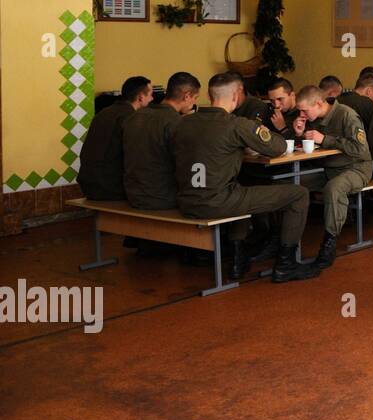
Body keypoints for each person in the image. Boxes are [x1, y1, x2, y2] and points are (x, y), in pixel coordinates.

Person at [171, 73, 316, 283]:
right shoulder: (237, 124)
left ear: (210, 95)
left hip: (187, 200)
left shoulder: (184, 123)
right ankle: (286, 265)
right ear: (238, 93)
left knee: (239, 187)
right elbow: (279, 147)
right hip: (217, 202)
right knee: (299, 194)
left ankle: (239, 258)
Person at [293, 85, 372, 269]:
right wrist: (298, 134)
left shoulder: (346, 115)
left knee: (334, 188)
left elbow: (360, 149)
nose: (302, 114)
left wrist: (325, 139)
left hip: (356, 167)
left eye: (304, 110)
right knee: (292, 185)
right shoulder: (312, 119)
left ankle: (329, 243)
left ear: (319, 104)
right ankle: (284, 241)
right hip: (327, 167)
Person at [122, 71, 199, 211]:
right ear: (187, 96)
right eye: (195, 97)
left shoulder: (135, 116)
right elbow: (188, 163)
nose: (195, 103)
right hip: (162, 197)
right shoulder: (176, 122)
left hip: (133, 194)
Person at [77, 75, 153, 201]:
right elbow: (138, 158)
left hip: (87, 183)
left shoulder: (103, 113)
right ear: (140, 97)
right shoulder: (132, 118)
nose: (152, 98)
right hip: (110, 187)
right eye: (150, 94)